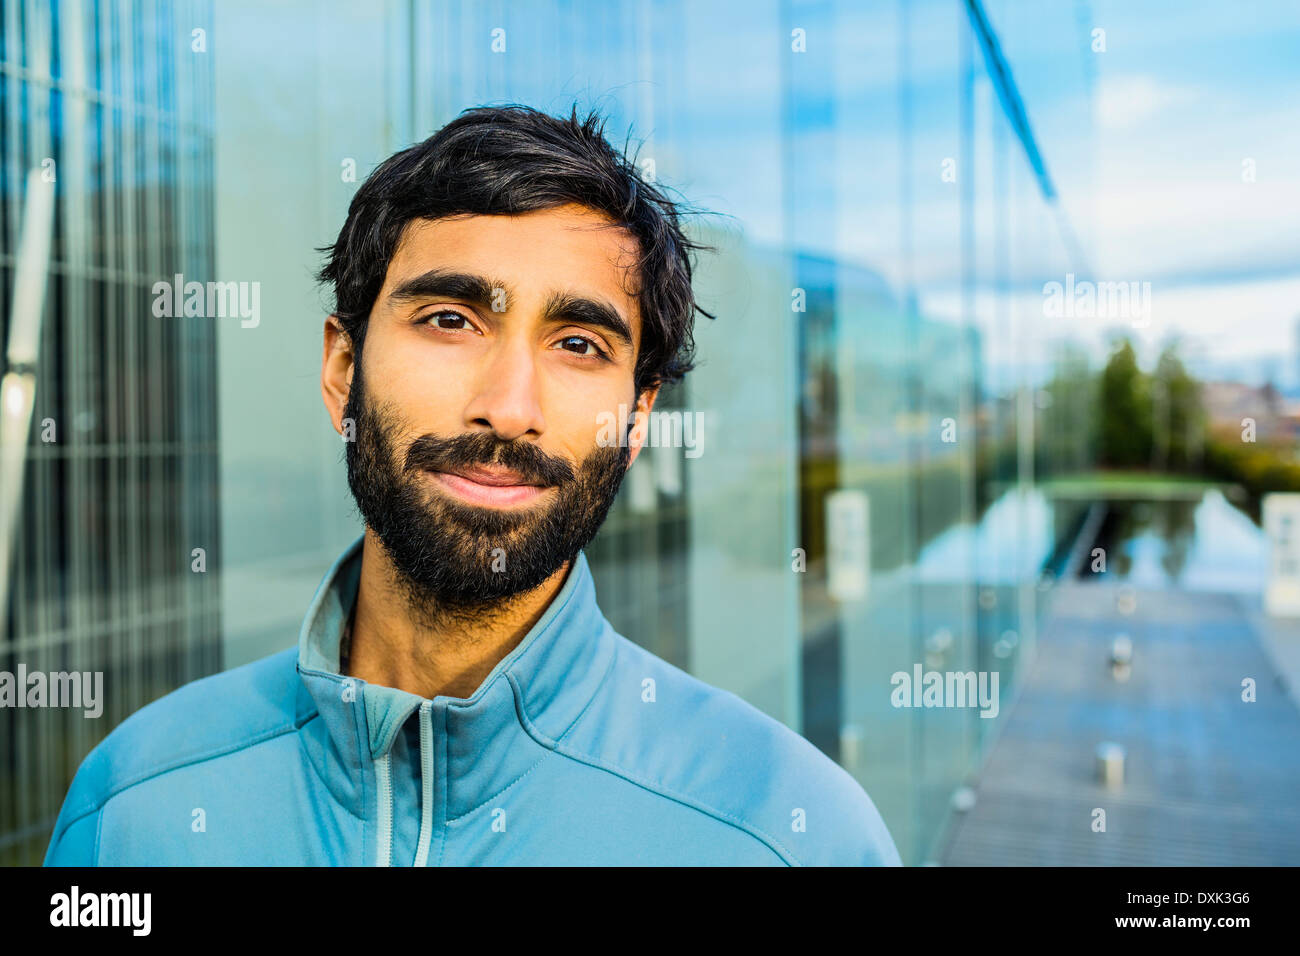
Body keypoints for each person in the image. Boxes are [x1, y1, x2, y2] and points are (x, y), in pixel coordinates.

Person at [44, 105, 901, 866]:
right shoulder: (133, 805)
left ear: (637, 419)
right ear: (344, 367)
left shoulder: (791, 836)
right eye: (450, 321)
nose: (507, 408)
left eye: (578, 344)